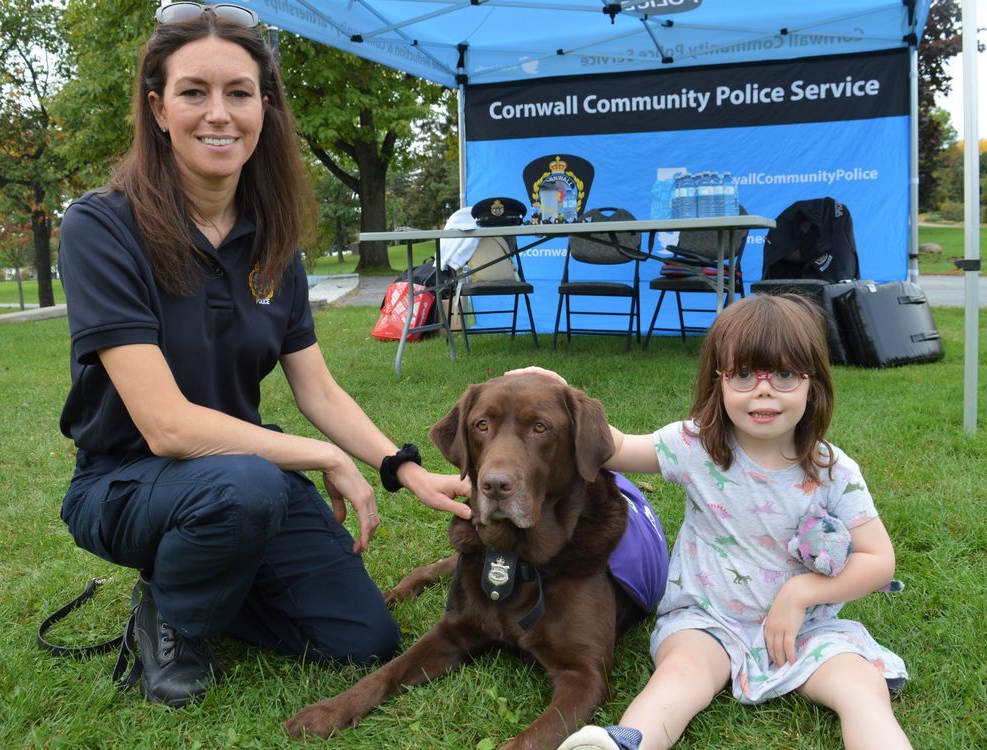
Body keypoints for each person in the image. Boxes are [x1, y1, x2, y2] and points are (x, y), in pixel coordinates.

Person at [56, 3, 470, 709]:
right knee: (246, 489)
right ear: (158, 109)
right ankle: (171, 613)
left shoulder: (273, 238)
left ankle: (207, 572)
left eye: (239, 93)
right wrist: (321, 458)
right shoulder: (102, 226)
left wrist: (401, 466)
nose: (218, 113)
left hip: (241, 480)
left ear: (265, 107)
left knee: (361, 636)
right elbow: (167, 427)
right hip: (127, 481)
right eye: (194, 92)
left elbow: (317, 389)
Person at [514, 294, 911, 750]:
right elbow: (616, 447)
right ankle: (625, 744)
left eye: (784, 374)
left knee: (862, 684)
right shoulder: (694, 446)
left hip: (805, 632)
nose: (764, 389)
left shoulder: (834, 472)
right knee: (679, 677)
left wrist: (803, 593)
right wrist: (559, 394)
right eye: (744, 374)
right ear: (717, 381)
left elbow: (878, 559)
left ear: (813, 384)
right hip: (705, 622)